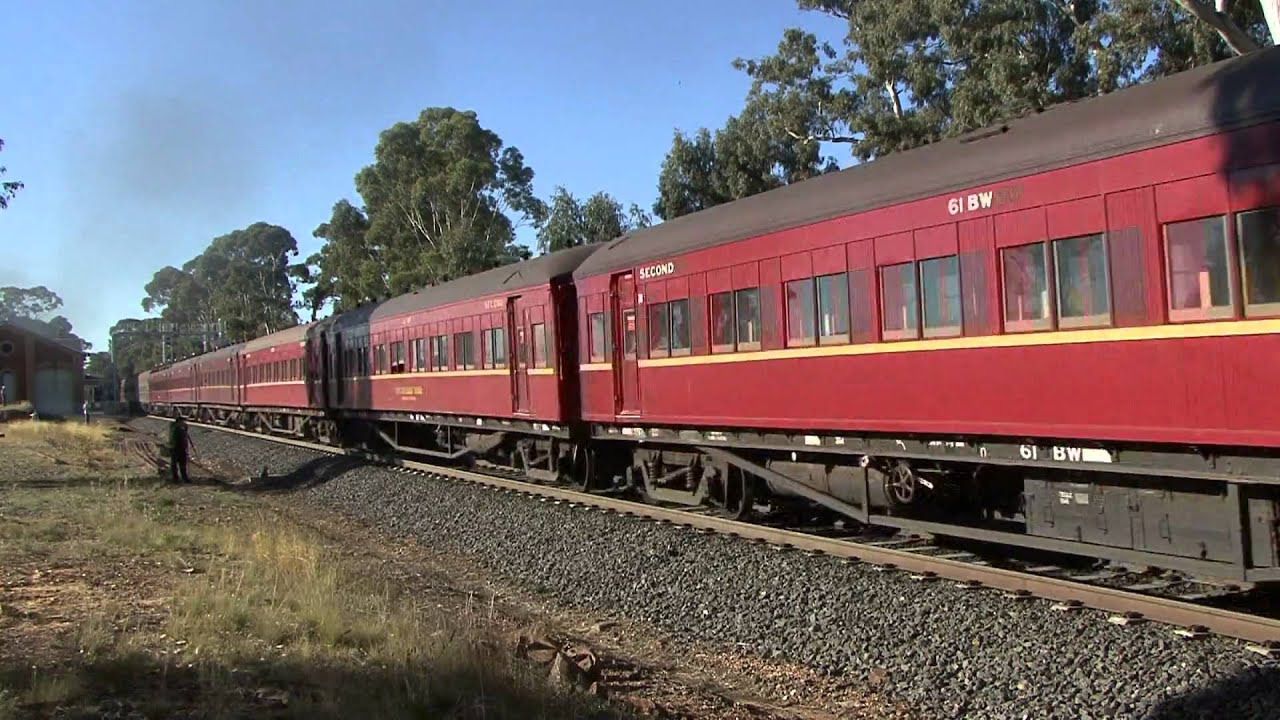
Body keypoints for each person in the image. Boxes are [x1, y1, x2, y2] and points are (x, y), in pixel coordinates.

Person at [169, 417, 191, 483]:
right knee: (179, 464)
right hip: (178, 448)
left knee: (178, 464)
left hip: (177, 448)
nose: (184, 423)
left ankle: (178, 478)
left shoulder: (175, 428)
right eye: (183, 422)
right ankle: (181, 478)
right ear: (179, 422)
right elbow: (182, 440)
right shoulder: (178, 430)